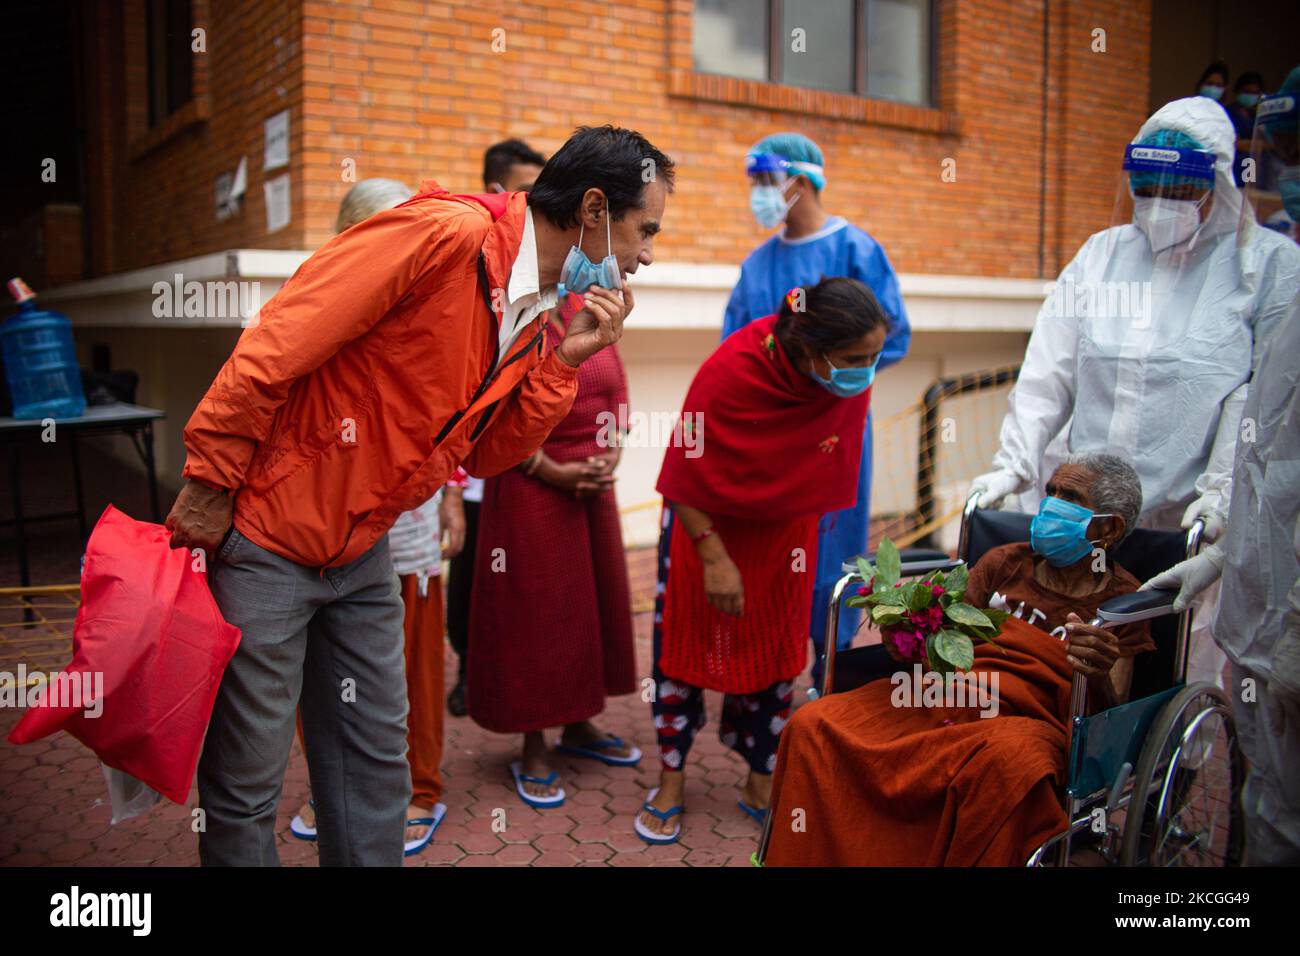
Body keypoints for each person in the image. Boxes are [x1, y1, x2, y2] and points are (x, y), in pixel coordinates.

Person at [167, 125, 669, 866]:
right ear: (594, 207)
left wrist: (564, 361)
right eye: (646, 228)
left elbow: (490, 451)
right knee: (246, 781)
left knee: (374, 760)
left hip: (366, 546)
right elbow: (280, 337)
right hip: (272, 535)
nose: (649, 253)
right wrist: (210, 476)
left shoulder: (535, 305)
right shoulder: (444, 233)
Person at [971, 96, 1300, 695]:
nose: (1159, 203)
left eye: (1178, 188)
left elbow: (1259, 402)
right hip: (1083, 516)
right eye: (1146, 186)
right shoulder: (1102, 257)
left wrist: (1221, 497)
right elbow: (1047, 375)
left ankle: (1172, 778)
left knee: (1170, 669)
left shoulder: (1266, 269)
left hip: (1184, 521)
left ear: (1218, 184)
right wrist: (1012, 464)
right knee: (1055, 658)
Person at [764, 454, 1153, 866]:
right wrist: (906, 631)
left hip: (1033, 720)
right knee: (813, 724)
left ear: (1108, 528)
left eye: (1070, 496)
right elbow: (942, 646)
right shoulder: (1006, 562)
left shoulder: (1121, 604)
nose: (1051, 504)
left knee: (1009, 766)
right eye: (1051, 491)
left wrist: (1093, 674)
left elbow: (1113, 716)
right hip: (941, 695)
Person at [634, 277, 890, 844]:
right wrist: (716, 560)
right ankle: (671, 779)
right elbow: (682, 473)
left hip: (786, 540)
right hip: (708, 532)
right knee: (684, 657)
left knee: (777, 656)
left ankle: (758, 776)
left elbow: (825, 467)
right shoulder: (731, 372)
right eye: (855, 358)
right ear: (809, 348)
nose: (867, 371)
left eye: (874, 356)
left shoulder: (842, 383)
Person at [286, 179, 469, 857]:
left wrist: (453, 492)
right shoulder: (313, 306)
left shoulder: (434, 312)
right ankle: (336, 788)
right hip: (322, 531)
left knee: (410, 670)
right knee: (325, 672)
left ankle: (419, 789)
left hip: (407, 532)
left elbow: (456, 415)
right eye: (377, 234)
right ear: (346, 242)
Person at [720, 132, 912, 692]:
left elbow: (888, 336)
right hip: (771, 436)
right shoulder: (758, 266)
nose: (756, 193)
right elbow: (736, 349)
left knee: (832, 548)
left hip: (836, 429)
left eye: (764, 182)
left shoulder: (855, 251)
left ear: (799, 183)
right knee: (775, 551)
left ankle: (829, 669)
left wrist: (824, 379)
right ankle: (768, 676)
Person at [467, 287, 639, 807]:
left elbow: (616, 388)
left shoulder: (593, 304)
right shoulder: (516, 313)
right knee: (534, 614)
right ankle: (533, 743)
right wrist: (553, 470)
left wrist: (611, 452)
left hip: (589, 486)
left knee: (586, 607)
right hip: (530, 483)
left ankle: (580, 724)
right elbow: (494, 416)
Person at [1142, 298, 1300, 860]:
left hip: (1289, 628)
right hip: (1264, 615)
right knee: (1268, 811)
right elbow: (1274, 472)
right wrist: (1228, 553)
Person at [447, 138, 550, 718]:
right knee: (467, 579)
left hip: (515, 465)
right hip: (469, 469)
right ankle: (466, 670)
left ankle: (497, 671)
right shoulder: (471, 257)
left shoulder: (543, 271)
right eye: (524, 190)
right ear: (495, 188)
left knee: (507, 582)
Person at [1227, 71, 1266, 186]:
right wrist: (1256, 145)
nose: (1251, 96)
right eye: (1246, 92)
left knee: (1250, 193)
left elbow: (1271, 144)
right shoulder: (1229, 113)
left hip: (1253, 164)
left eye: (1255, 93)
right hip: (1235, 164)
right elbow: (1235, 143)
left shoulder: (1257, 116)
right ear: (1237, 92)